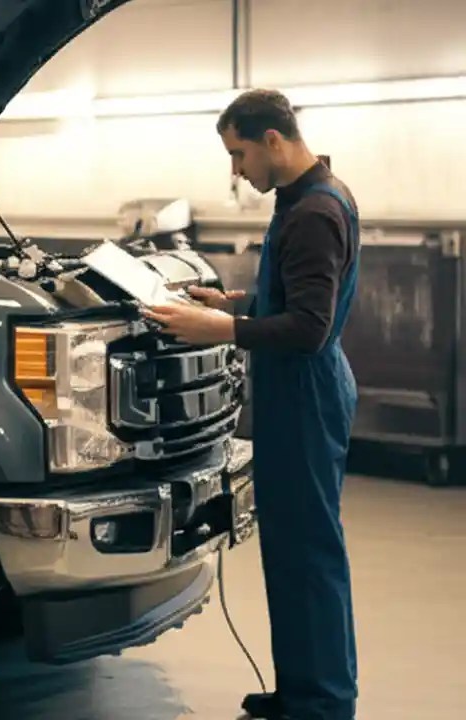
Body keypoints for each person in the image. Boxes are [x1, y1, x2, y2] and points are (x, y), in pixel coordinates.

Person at [141, 89, 360, 720]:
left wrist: (222, 332)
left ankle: (322, 705)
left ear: (272, 140)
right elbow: (290, 293)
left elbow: (308, 326)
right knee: (291, 550)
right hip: (299, 388)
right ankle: (301, 689)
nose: (236, 172)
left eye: (239, 155)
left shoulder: (314, 211)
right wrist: (229, 303)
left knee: (311, 554)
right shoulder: (305, 197)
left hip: (306, 391)